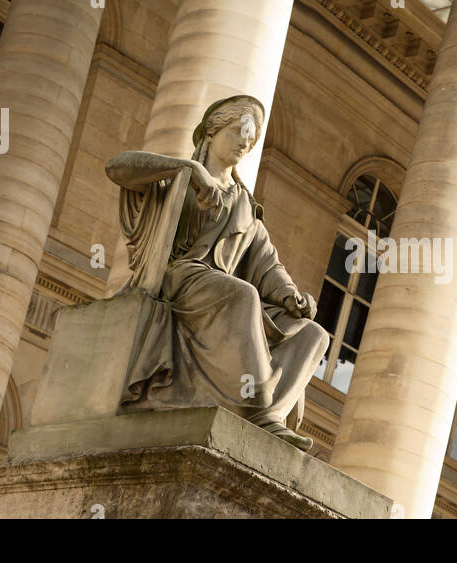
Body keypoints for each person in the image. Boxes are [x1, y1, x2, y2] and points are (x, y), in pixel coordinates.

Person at [105, 95, 326, 451]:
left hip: (221, 296)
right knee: (242, 294)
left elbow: (268, 264)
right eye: (239, 132)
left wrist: (290, 296)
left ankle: (264, 415)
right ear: (212, 130)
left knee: (313, 335)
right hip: (181, 278)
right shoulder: (181, 175)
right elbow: (118, 167)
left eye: (251, 140)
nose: (244, 143)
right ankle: (258, 409)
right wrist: (188, 172)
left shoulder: (244, 205)